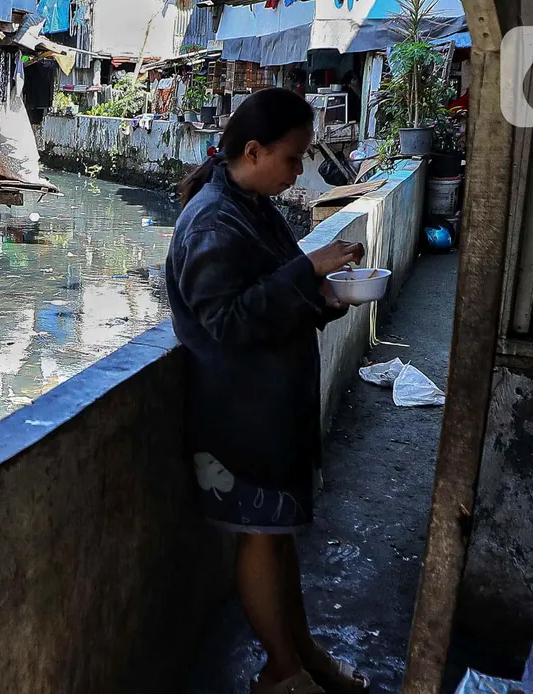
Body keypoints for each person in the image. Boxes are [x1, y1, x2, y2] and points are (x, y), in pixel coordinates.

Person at [166, 87, 369, 694]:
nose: (299, 171)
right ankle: (283, 671)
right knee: (262, 539)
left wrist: (326, 297)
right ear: (253, 151)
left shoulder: (250, 206)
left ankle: (300, 656)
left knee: (278, 542)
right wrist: (309, 271)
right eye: (293, 158)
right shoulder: (211, 221)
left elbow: (269, 295)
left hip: (267, 408)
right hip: (238, 417)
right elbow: (226, 321)